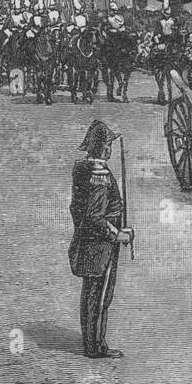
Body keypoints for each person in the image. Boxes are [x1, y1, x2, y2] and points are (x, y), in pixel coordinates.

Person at [70, 120, 133, 359]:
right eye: (109, 144)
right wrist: (117, 234)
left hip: (89, 240)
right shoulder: (100, 174)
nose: (111, 149)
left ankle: (91, 341)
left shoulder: (82, 168)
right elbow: (95, 216)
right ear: (103, 148)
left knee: (91, 292)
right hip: (101, 244)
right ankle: (95, 346)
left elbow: (77, 209)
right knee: (100, 295)